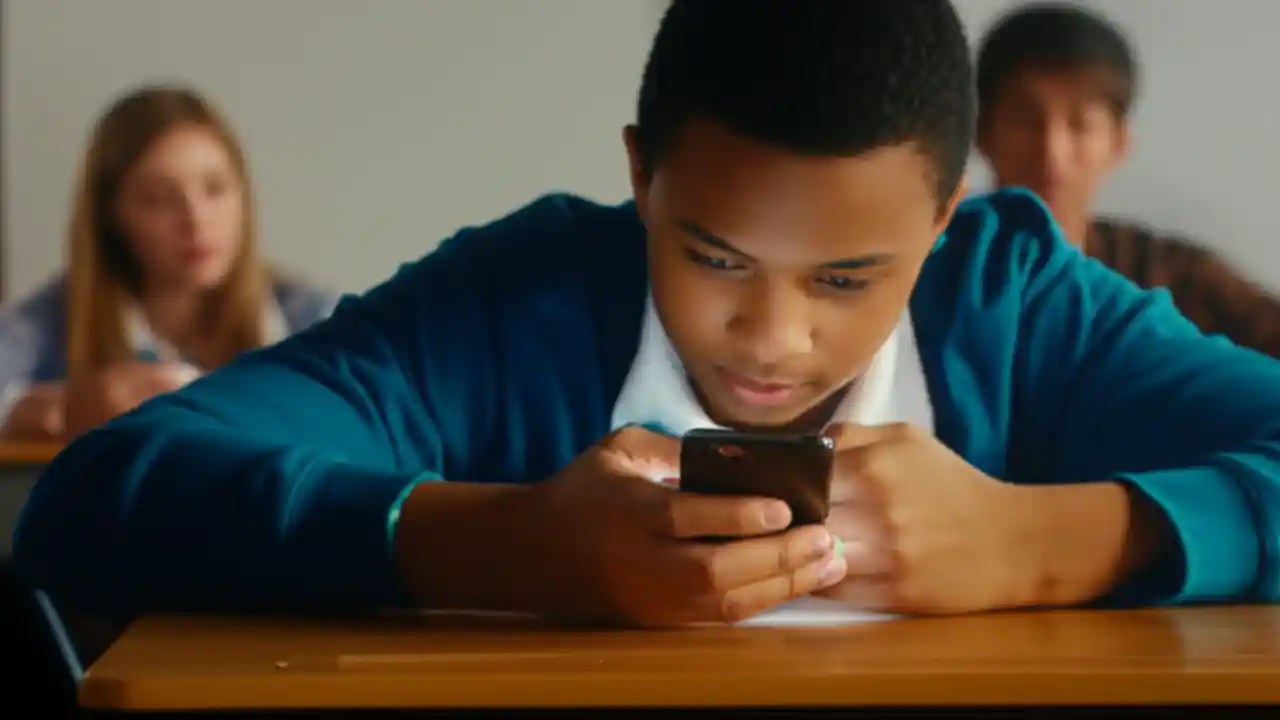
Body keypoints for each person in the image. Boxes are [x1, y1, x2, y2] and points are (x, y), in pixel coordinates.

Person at [14, 1, 1280, 625]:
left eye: (845, 278)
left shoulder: (1019, 304)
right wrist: (499, 543)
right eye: (713, 256)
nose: (771, 339)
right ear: (639, 176)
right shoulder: (511, 305)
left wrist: (1049, 542)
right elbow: (96, 502)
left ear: (944, 219)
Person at [0, 85, 337, 439]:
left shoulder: (310, 316)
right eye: (158, 198)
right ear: (111, 217)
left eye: (215, 189)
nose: (196, 219)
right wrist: (42, 409)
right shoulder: (53, 320)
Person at [975, 3, 1280, 357]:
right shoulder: (937, 264)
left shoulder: (1171, 277)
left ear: (1119, 143)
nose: (1052, 151)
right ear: (982, 133)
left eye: (1080, 124)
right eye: (1026, 118)